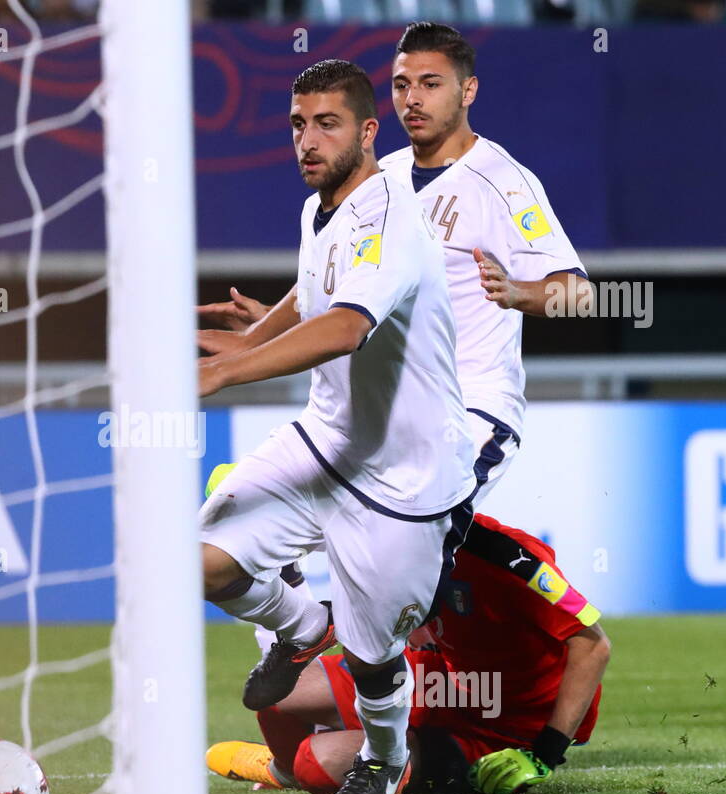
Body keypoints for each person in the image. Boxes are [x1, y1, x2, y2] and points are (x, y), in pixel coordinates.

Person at [198, 60, 475, 794]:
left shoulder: (391, 215)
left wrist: (229, 373)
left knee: (374, 656)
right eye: (297, 124)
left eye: (327, 124)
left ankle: (384, 761)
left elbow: (350, 325)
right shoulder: (320, 209)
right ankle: (299, 627)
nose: (308, 141)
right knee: (194, 566)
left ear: (367, 132)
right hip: (324, 443)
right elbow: (316, 287)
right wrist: (257, 333)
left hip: (403, 479)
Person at [201, 22, 594, 507]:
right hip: (389, 413)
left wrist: (518, 293)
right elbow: (328, 286)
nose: (413, 99)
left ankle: (529, 575)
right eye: (402, 85)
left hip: (469, 411)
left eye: (431, 85)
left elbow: (580, 294)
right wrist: (263, 328)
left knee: (430, 528)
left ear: (468, 90)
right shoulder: (378, 176)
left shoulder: (505, 184)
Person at [207, 513, 611, 794]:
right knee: (281, 697)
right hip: (446, 684)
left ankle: (340, 764)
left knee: (317, 762)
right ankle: (284, 771)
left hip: (507, 727)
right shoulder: (391, 537)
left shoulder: (508, 557)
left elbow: (593, 644)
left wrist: (543, 753)